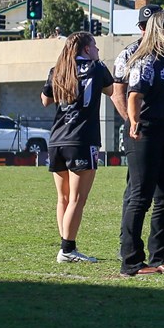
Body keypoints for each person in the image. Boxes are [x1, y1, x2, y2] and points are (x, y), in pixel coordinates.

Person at [113, 4, 164, 259]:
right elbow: (133, 95)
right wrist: (133, 121)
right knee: (140, 195)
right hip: (145, 130)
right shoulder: (146, 60)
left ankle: (160, 255)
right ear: (163, 30)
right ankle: (131, 258)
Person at [42, 31, 114, 264]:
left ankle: (65, 245)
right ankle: (67, 249)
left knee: (63, 198)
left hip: (57, 140)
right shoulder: (97, 67)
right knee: (76, 199)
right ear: (85, 49)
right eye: (94, 45)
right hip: (82, 139)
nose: (97, 50)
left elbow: (45, 100)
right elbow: (111, 90)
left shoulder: (58, 70)